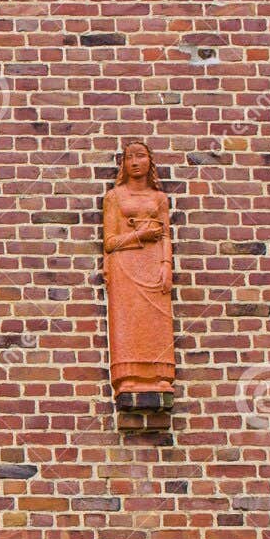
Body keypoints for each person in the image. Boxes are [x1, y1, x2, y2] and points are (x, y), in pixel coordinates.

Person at [103, 140, 174, 396]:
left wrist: (167, 266)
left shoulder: (159, 198)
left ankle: (161, 375)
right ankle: (127, 375)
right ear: (123, 164)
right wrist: (139, 236)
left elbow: (165, 235)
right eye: (129, 158)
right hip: (125, 265)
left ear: (149, 162)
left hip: (154, 264)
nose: (135, 162)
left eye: (140, 156)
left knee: (156, 320)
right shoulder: (115, 197)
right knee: (129, 320)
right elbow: (110, 242)